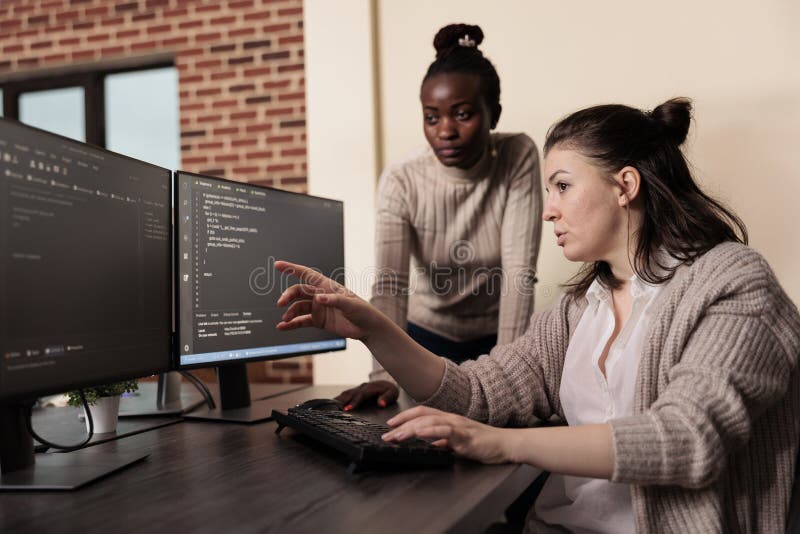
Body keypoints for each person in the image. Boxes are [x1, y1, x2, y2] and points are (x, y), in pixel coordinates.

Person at [275, 97, 800, 533]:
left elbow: (688, 437)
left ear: (625, 186)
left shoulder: (734, 282)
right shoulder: (578, 309)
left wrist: (505, 444)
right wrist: (374, 329)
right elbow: (477, 394)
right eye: (549, 191)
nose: (548, 209)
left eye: (563, 186)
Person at [336, 23, 542, 410]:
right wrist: (383, 376)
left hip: (496, 340)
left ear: (494, 114)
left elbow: (519, 274)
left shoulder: (517, 156)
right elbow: (391, 285)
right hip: (422, 341)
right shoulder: (402, 179)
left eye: (462, 114)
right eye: (432, 118)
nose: (445, 131)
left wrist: (508, 375)